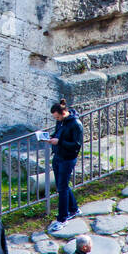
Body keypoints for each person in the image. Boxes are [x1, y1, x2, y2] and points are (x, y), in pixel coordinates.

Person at [48, 98, 83, 234]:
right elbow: (58, 134)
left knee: (61, 188)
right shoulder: (61, 122)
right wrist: (50, 138)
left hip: (67, 159)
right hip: (58, 156)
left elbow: (76, 145)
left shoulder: (75, 124)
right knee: (61, 185)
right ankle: (73, 209)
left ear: (63, 113)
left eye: (57, 117)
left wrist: (59, 142)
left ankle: (62, 218)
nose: (56, 119)